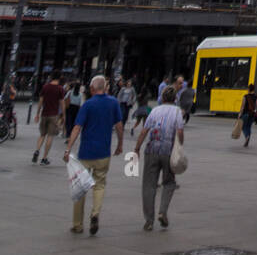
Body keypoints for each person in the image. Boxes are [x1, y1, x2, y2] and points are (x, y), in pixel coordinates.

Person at [63, 75, 123, 235]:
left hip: (86, 153)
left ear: (92, 88)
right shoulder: (113, 103)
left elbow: (77, 128)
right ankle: (95, 213)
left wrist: (68, 149)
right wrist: (120, 144)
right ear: (105, 87)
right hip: (103, 153)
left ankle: (77, 225)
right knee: (100, 185)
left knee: (81, 188)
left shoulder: (88, 105)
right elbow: (119, 125)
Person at [134, 84, 185, 230]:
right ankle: (162, 211)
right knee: (169, 182)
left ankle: (149, 220)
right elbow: (180, 132)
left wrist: (137, 148)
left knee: (149, 185)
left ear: (162, 97)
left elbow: (144, 131)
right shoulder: (177, 111)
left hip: (152, 150)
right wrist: (180, 145)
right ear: (175, 98)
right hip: (168, 152)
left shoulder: (155, 110)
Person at [33, 67, 65, 165]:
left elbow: (40, 101)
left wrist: (37, 114)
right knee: (50, 136)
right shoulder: (60, 89)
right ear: (60, 77)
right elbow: (62, 103)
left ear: (51, 77)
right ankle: (44, 158)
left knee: (42, 135)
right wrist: (63, 115)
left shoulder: (45, 87)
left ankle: (37, 150)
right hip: (54, 115)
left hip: (44, 114)